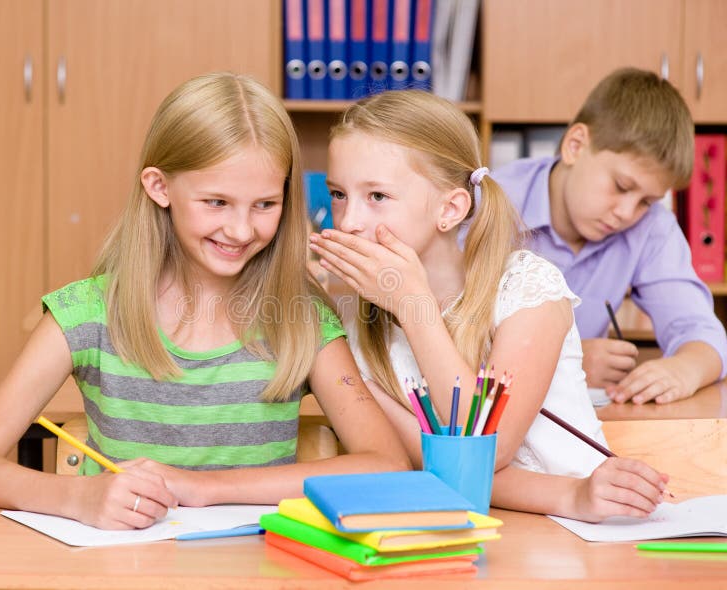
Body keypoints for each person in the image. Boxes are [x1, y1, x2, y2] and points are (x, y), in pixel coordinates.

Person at [0, 73, 409, 530]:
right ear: (159, 187)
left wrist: (204, 487)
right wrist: (76, 497)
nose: (241, 229)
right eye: (217, 202)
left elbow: (386, 465)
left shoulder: (302, 319)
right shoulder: (87, 313)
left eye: (265, 204)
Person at [309, 89, 668, 522]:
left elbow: (486, 445)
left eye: (377, 197)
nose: (348, 222)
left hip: (580, 528)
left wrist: (415, 307)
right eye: (338, 194)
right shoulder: (358, 327)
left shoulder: (527, 288)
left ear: (450, 208)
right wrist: (567, 496)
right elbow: (448, 471)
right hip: (488, 525)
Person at [489, 68, 727, 405]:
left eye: (646, 201)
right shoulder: (490, 205)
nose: (627, 213)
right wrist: (559, 360)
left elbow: (701, 331)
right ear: (575, 146)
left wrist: (685, 369)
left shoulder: (651, 228)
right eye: (622, 186)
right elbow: (441, 339)